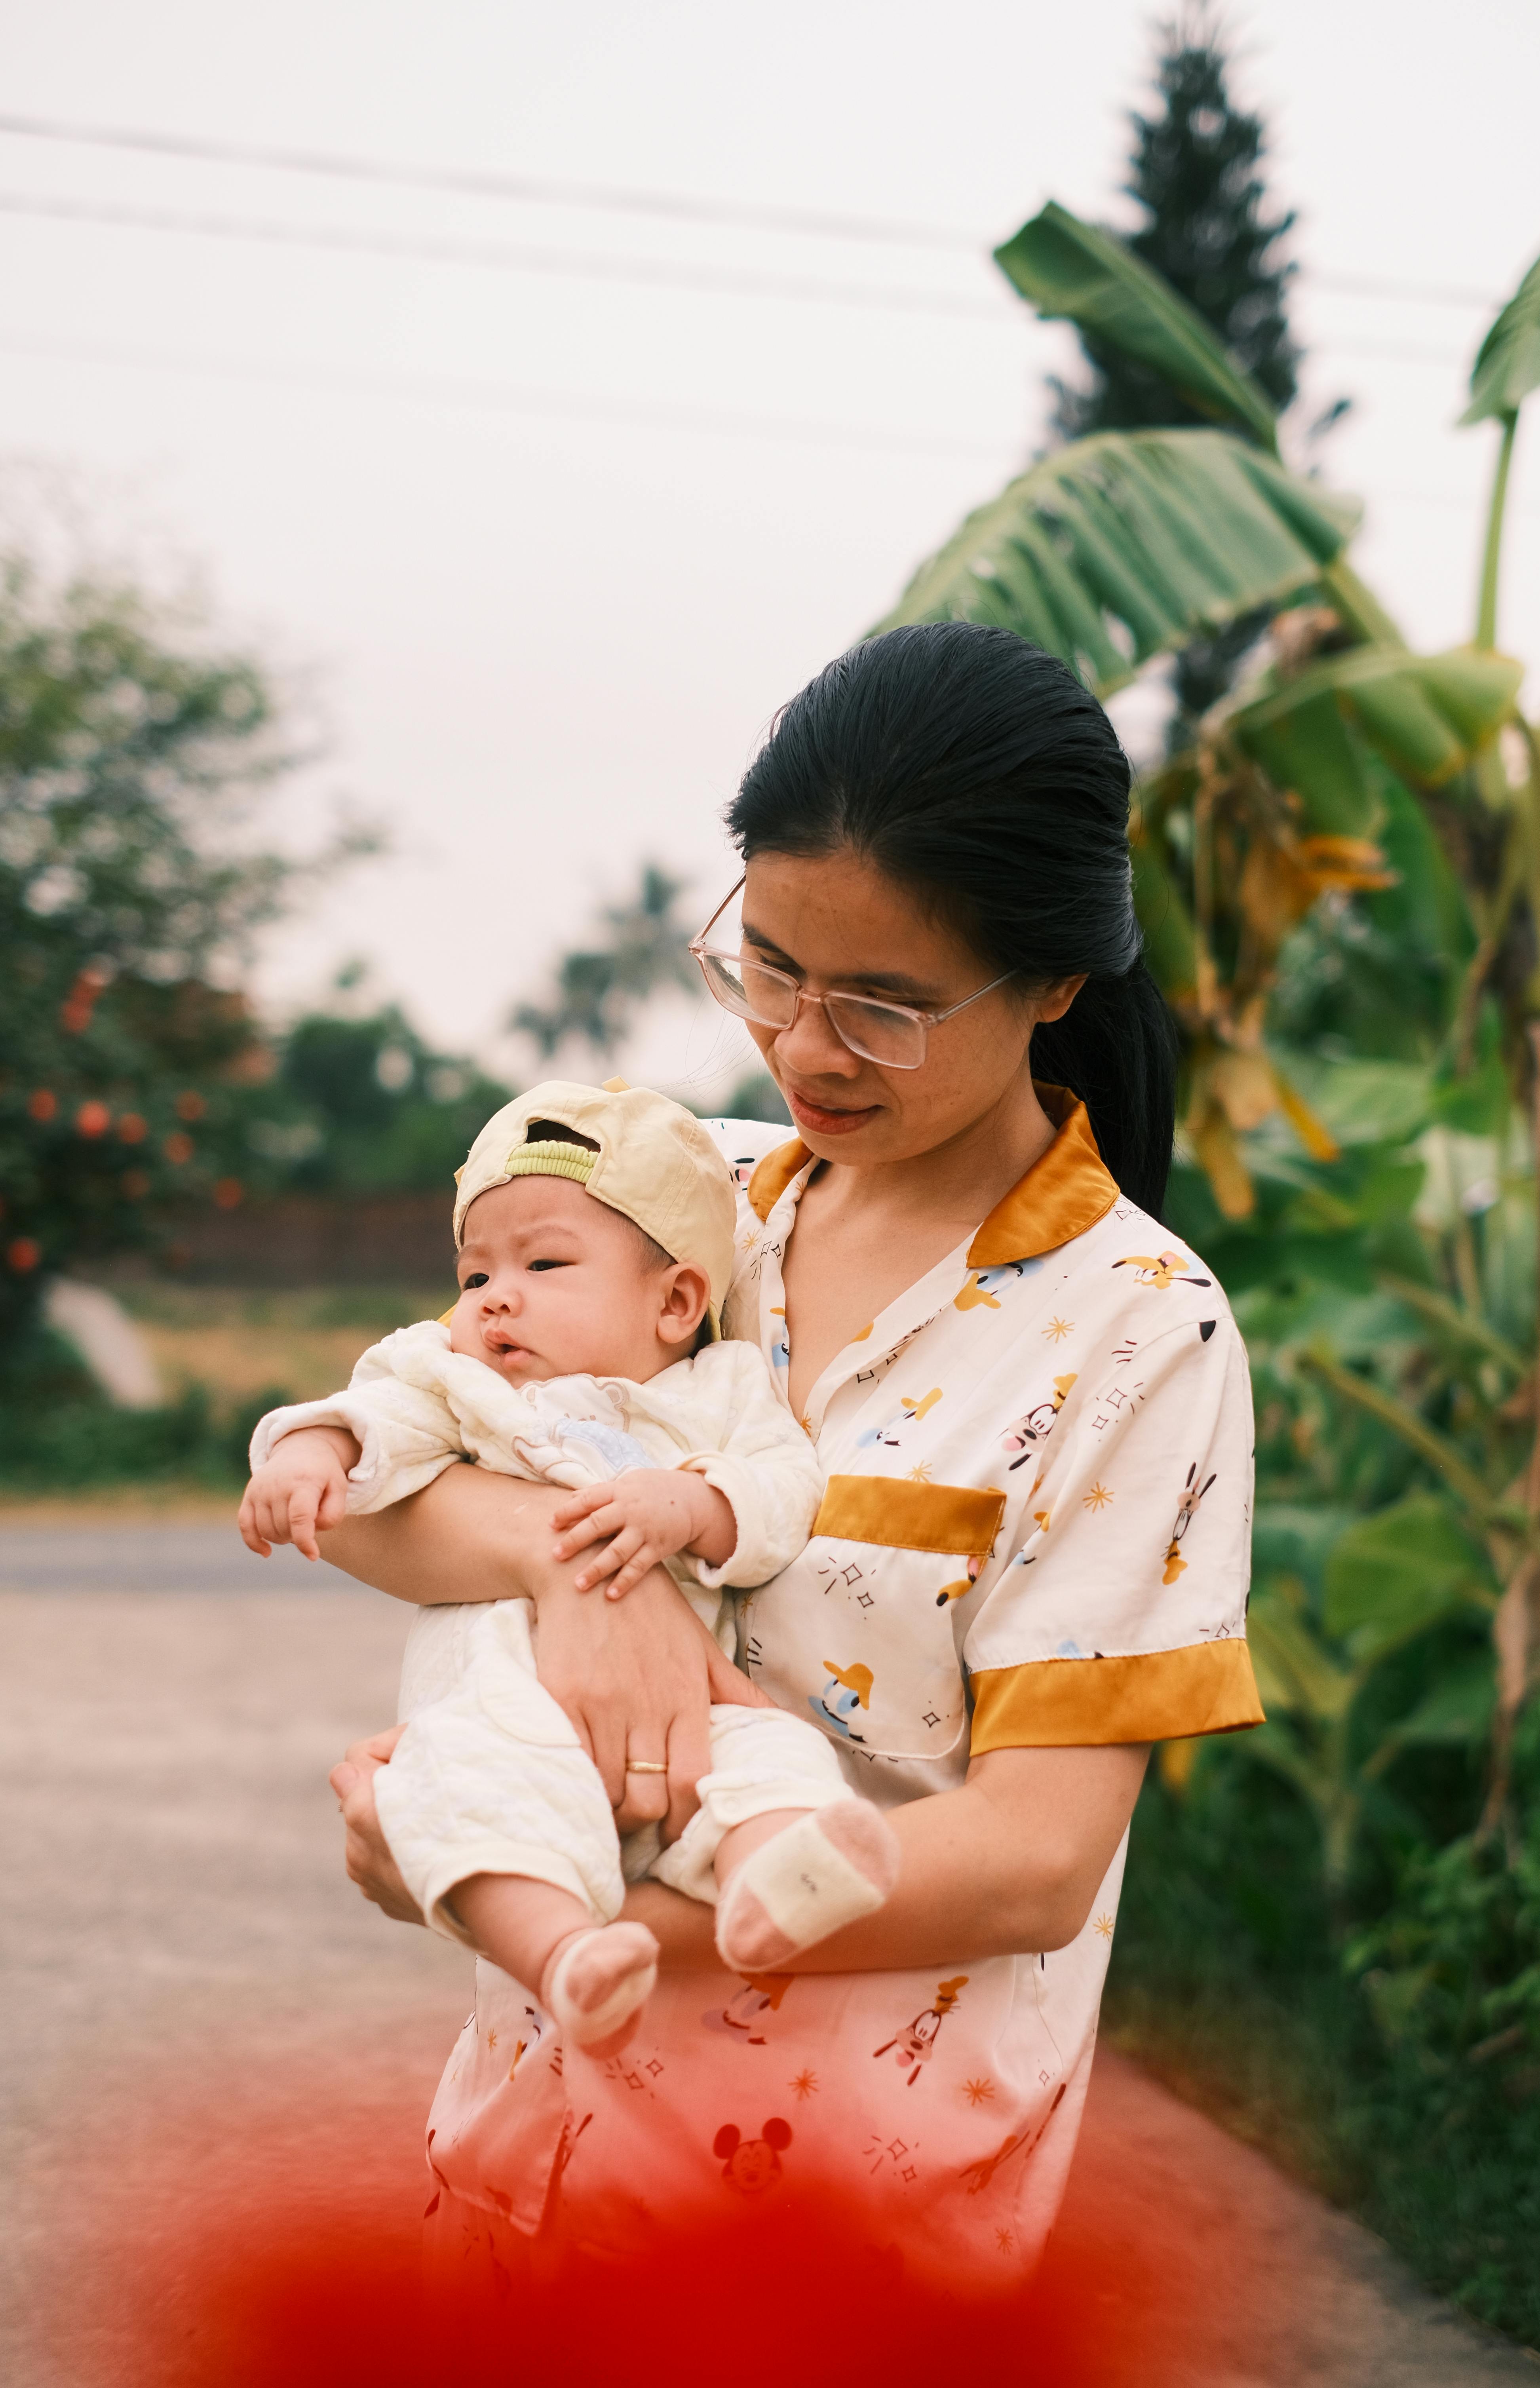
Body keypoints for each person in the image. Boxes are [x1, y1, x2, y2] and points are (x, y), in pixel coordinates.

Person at [321, 622, 1265, 2284]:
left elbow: (1034, 1864)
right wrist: (585, 1577)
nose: (805, 1049)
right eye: (768, 968)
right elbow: (393, 1483)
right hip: (520, 2166)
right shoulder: (689, 1206)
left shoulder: (1136, 1329)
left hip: (852, 2243)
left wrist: (526, 1903)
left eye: (884, 1008)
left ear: (1052, 983)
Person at [239, 1079, 900, 2055]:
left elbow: (783, 1485)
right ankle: (565, 1960)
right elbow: (372, 1422)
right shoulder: (454, 1379)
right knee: (472, 1797)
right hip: (503, 1696)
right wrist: (307, 1456)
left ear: (676, 1300)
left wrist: (697, 1503)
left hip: (686, 1719)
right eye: (474, 1277)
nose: (496, 1296)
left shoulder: (718, 1391)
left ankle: (771, 1894)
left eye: (544, 1263)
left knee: (778, 1760)